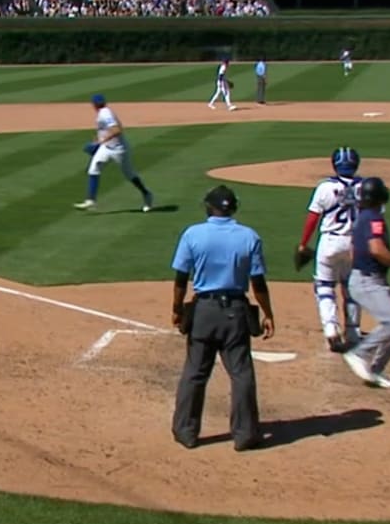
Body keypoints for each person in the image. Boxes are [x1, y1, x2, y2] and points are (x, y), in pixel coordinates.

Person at [170, 185, 277, 451]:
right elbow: (258, 282)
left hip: (204, 311)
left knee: (195, 373)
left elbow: (181, 279)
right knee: (241, 373)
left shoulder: (193, 234)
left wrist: (176, 309)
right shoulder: (249, 236)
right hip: (236, 313)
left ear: (209, 207)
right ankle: (245, 435)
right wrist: (268, 313)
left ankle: (186, 431)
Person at [341, 176, 390, 389]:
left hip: (369, 279)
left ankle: (375, 370)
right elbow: (376, 250)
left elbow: (355, 251)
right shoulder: (373, 219)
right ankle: (359, 353)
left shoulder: (365, 216)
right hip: (367, 281)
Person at [295, 147, 363, 353]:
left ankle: (331, 328)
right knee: (352, 290)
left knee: (325, 287)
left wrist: (303, 243)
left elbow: (313, 218)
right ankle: (352, 331)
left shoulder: (325, 187)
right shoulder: (366, 186)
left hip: (330, 243)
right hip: (356, 244)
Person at [76, 93, 154, 212]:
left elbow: (117, 130)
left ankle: (146, 194)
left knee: (130, 175)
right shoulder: (103, 112)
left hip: (119, 149)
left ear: (94, 104)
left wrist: (101, 141)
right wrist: (97, 141)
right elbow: (104, 130)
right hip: (106, 148)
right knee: (93, 169)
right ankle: (90, 200)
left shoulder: (105, 113)